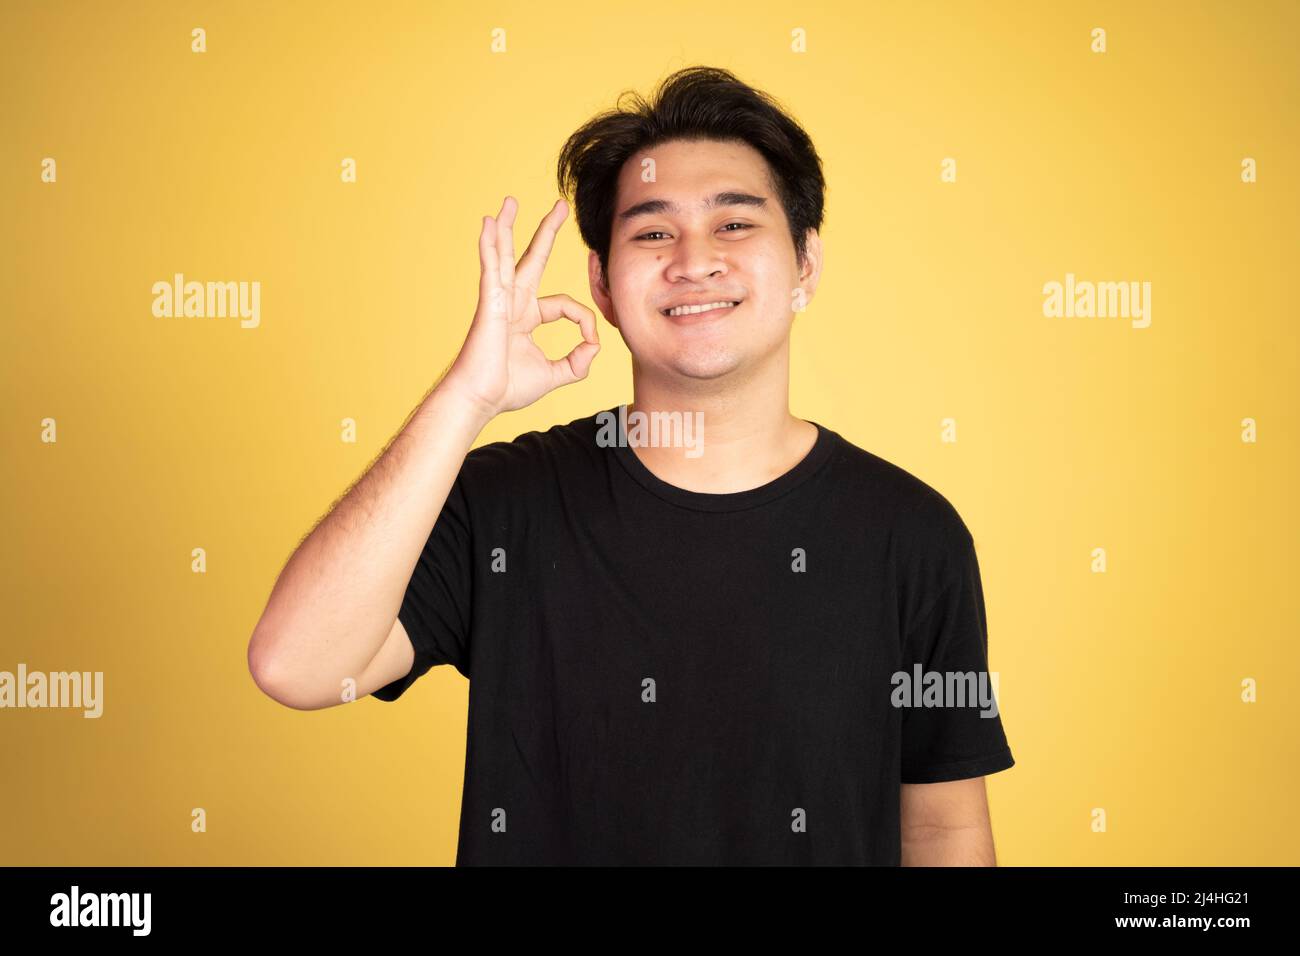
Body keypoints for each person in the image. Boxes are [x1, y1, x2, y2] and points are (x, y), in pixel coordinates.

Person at [247, 65, 1014, 865]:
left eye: (735, 225)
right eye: (652, 232)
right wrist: (465, 398)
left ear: (806, 267)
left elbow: (944, 827)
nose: (694, 261)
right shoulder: (506, 503)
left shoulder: (911, 532)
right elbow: (296, 666)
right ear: (603, 287)